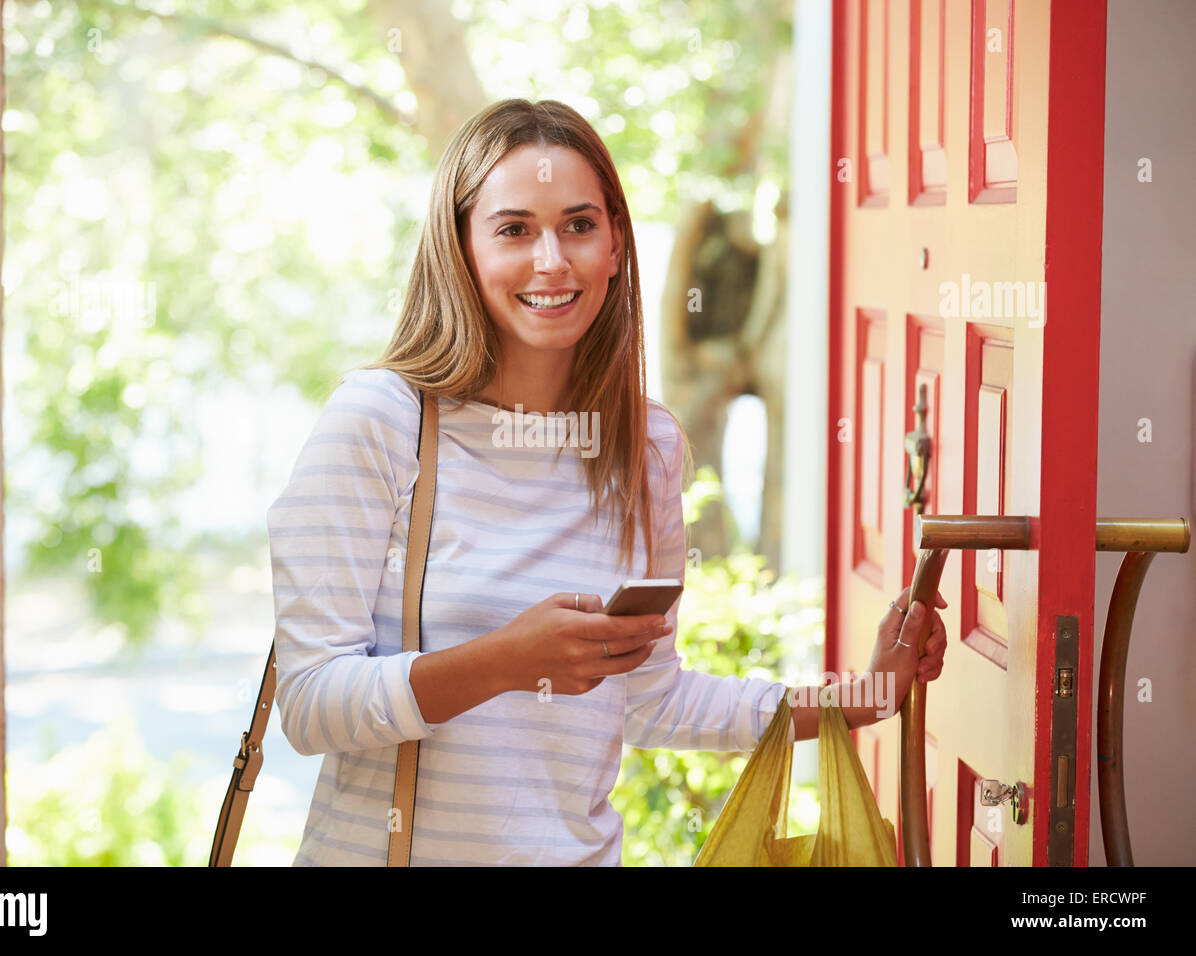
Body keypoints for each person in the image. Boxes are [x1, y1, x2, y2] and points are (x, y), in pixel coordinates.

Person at [266, 98, 948, 866]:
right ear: (460, 247)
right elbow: (312, 704)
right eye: (514, 229)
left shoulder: (645, 447)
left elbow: (655, 699)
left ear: (616, 244)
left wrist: (863, 696)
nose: (551, 260)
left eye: (579, 225)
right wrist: (505, 661)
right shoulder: (379, 422)